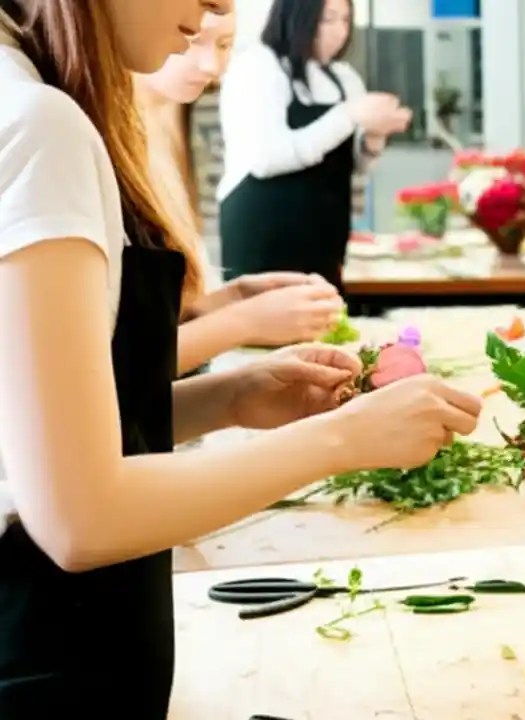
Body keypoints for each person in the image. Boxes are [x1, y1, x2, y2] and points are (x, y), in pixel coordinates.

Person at [0, 1, 482, 715]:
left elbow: (30, 446)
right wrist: (343, 438)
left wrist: (226, 397)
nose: (220, 5)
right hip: (44, 656)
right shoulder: (40, 122)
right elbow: (79, 518)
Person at [136, 5, 344, 374]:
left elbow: (147, 317)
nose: (212, 67)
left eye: (224, 45)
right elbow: (120, 363)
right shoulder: (95, 138)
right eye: (191, 37)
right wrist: (244, 320)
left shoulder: (171, 128)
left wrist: (225, 301)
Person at [216, 0, 411, 294]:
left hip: (324, 243)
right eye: (328, 20)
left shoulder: (345, 78)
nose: (340, 31)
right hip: (263, 237)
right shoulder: (257, 66)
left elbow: (357, 163)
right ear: (296, 16)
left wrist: (374, 135)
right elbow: (266, 159)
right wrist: (349, 115)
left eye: (346, 20)